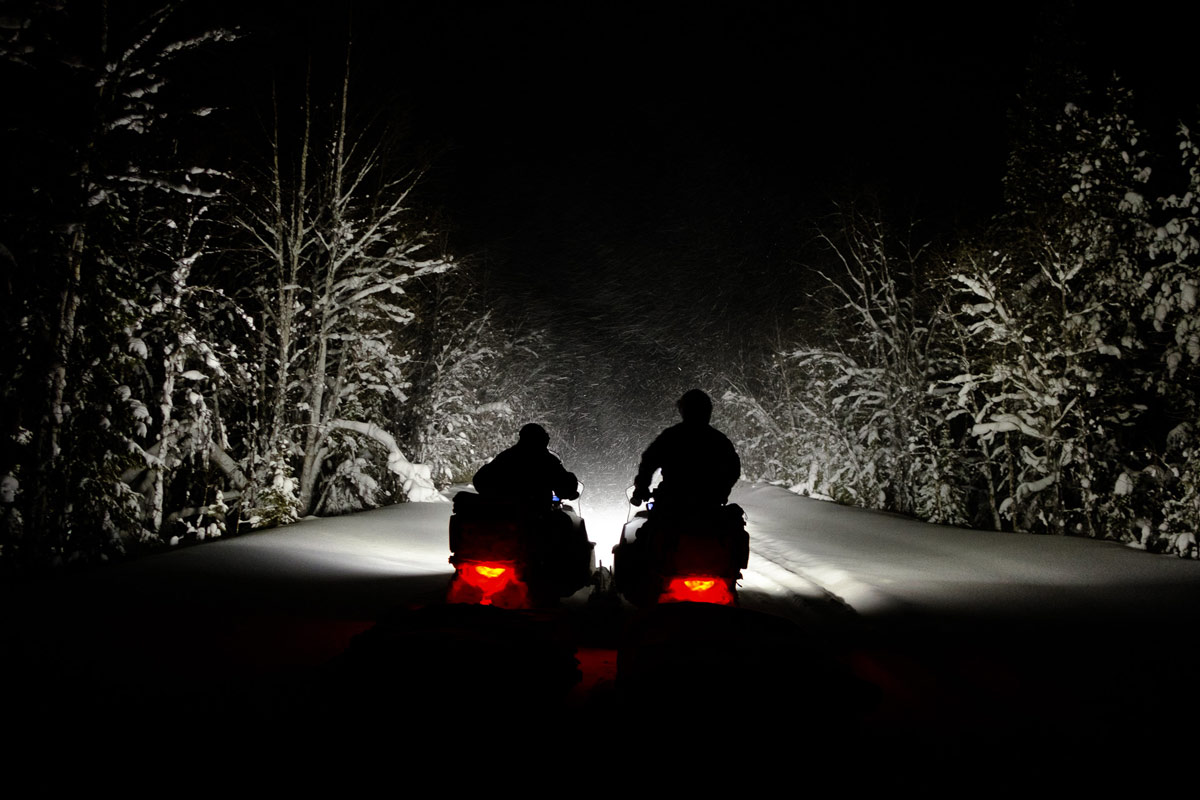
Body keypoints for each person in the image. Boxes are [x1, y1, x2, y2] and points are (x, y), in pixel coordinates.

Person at [632, 389, 740, 510]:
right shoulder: (719, 440)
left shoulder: (671, 436)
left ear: (683, 410)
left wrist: (642, 487)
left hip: (672, 505)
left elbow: (648, 462)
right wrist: (720, 492)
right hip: (707, 508)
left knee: (648, 529)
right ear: (708, 411)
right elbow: (733, 470)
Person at [472, 423, 580, 510]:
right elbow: (564, 486)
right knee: (565, 525)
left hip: (505, 513)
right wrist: (570, 491)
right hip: (535, 516)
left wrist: (497, 495)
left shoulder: (507, 456)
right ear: (542, 440)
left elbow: (480, 479)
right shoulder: (547, 461)